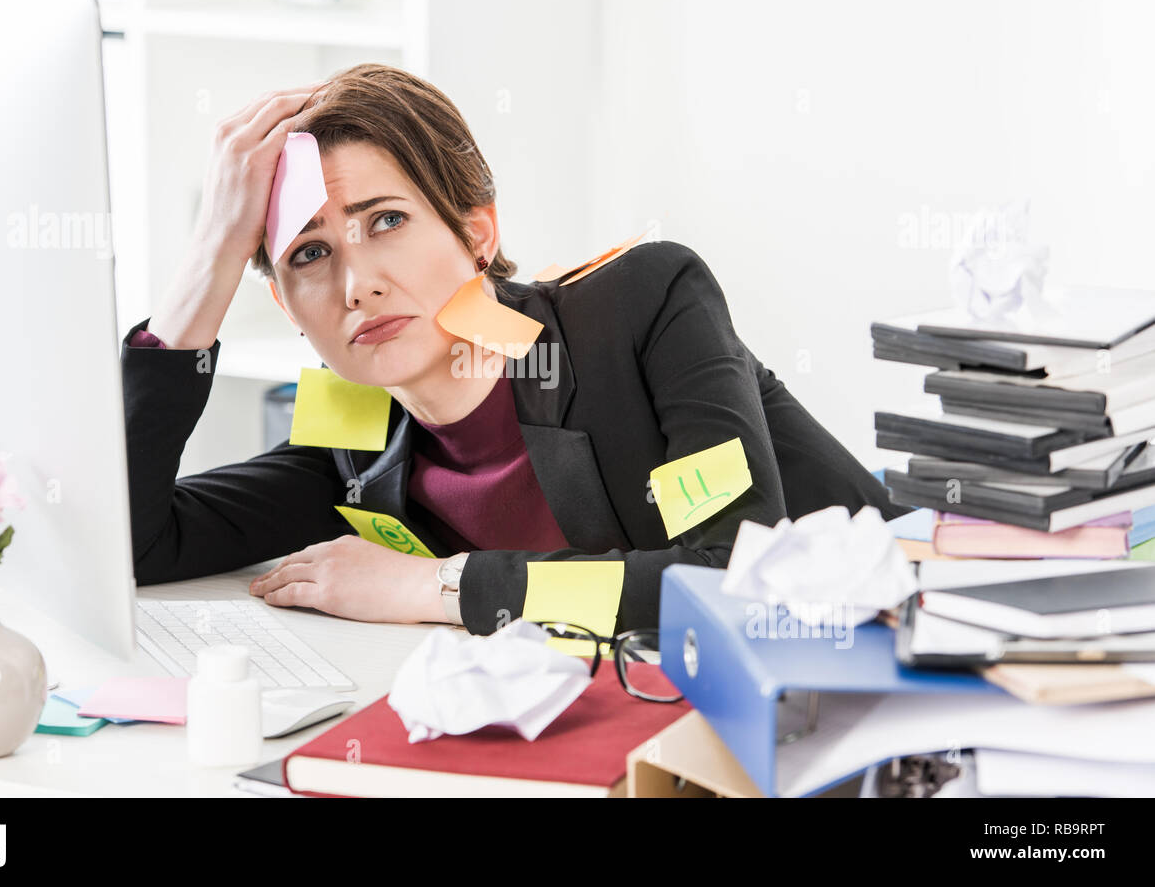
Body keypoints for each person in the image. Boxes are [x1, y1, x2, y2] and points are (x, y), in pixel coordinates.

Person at [120, 63, 911, 637]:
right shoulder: (357, 436)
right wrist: (210, 262)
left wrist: (432, 586)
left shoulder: (637, 307)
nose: (355, 283)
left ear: (477, 232)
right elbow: (135, 542)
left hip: (893, 689)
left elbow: (736, 581)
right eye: (309, 254)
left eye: (385, 220)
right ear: (284, 305)